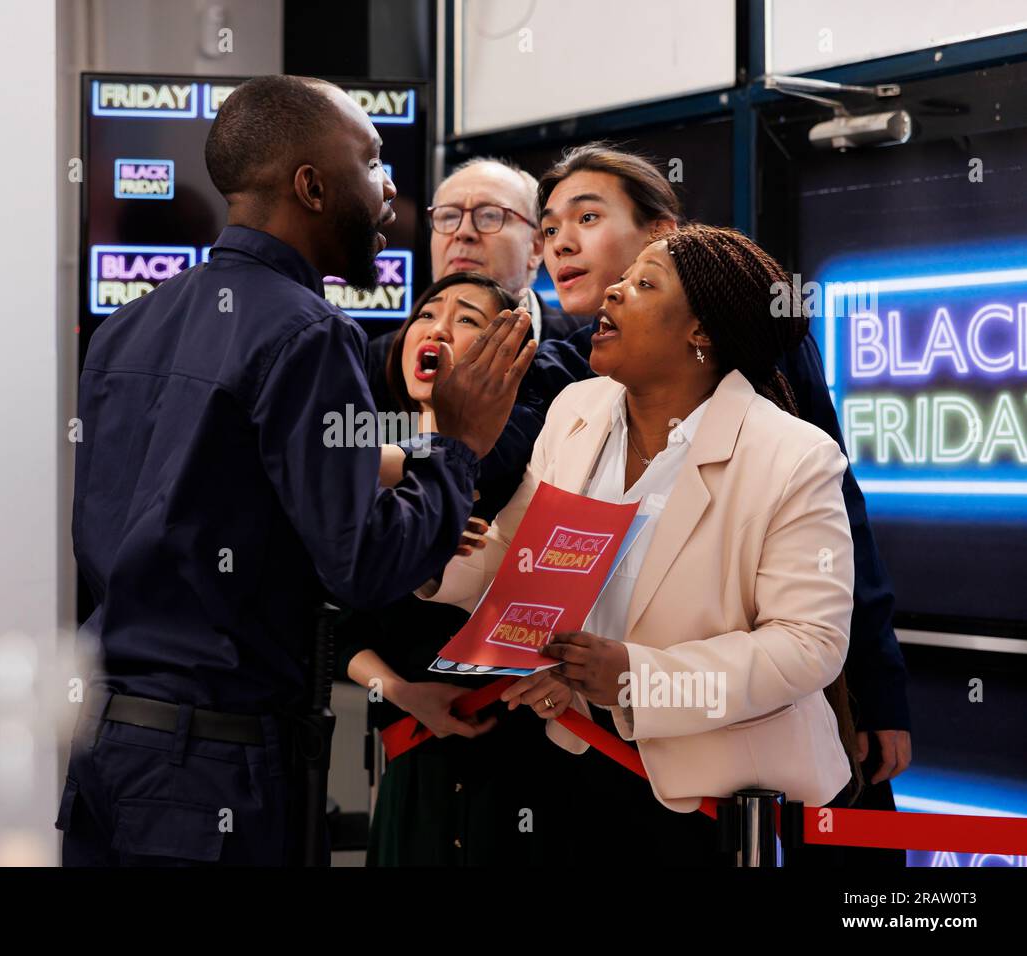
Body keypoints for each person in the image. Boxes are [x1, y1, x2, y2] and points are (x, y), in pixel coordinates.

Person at [57, 74, 536, 866]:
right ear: (312, 187)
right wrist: (456, 447)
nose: (389, 189)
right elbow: (363, 564)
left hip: (106, 747)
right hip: (212, 767)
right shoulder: (309, 334)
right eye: (371, 162)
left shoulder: (128, 324)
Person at [423, 225, 860, 865]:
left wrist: (634, 679)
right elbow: (519, 557)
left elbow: (808, 644)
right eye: (623, 279)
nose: (614, 291)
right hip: (578, 759)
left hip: (718, 800)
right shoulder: (576, 409)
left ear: (700, 332)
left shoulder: (793, 454)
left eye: (644, 284)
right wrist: (426, 550)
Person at [528, 145, 910, 864]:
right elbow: (526, 551)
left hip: (735, 782)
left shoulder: (776, 416)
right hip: (591, 760)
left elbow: (830, 561)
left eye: (587, 217)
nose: (562, 244)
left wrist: (878, 689)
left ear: (660, 231)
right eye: (547, 228)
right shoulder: (573, 399)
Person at [340, 272, 600, 865]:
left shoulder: (533, 454)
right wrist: (402, 692)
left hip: (528, 750)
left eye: (466, 320)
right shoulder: (367, 472)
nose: (436, 329)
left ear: (510, 357)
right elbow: (341, 630)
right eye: (427, 314)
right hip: (417, 754)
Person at [366, 157, 581, 413]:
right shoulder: (378, 359)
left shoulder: (586, 347)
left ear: (536, 246)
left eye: (490, 216)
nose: (463, 232)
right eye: (448, 216)